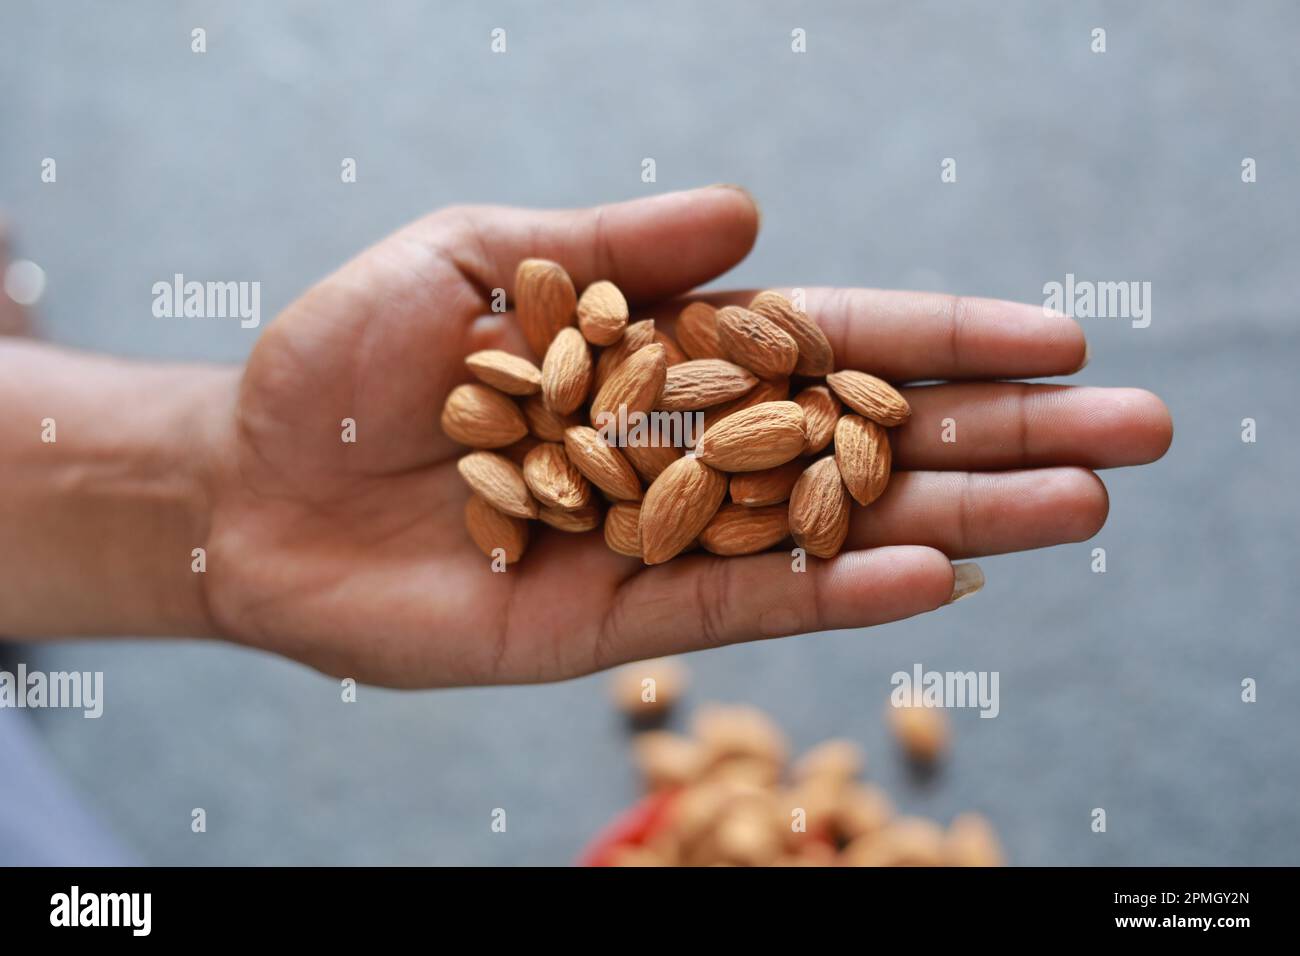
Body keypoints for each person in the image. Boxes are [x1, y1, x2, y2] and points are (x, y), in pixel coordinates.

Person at [0, 186, 1172, 688]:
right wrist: (211, 497)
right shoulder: (594, 427)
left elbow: (691, 437)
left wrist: (215, 486)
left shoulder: (683, 415)